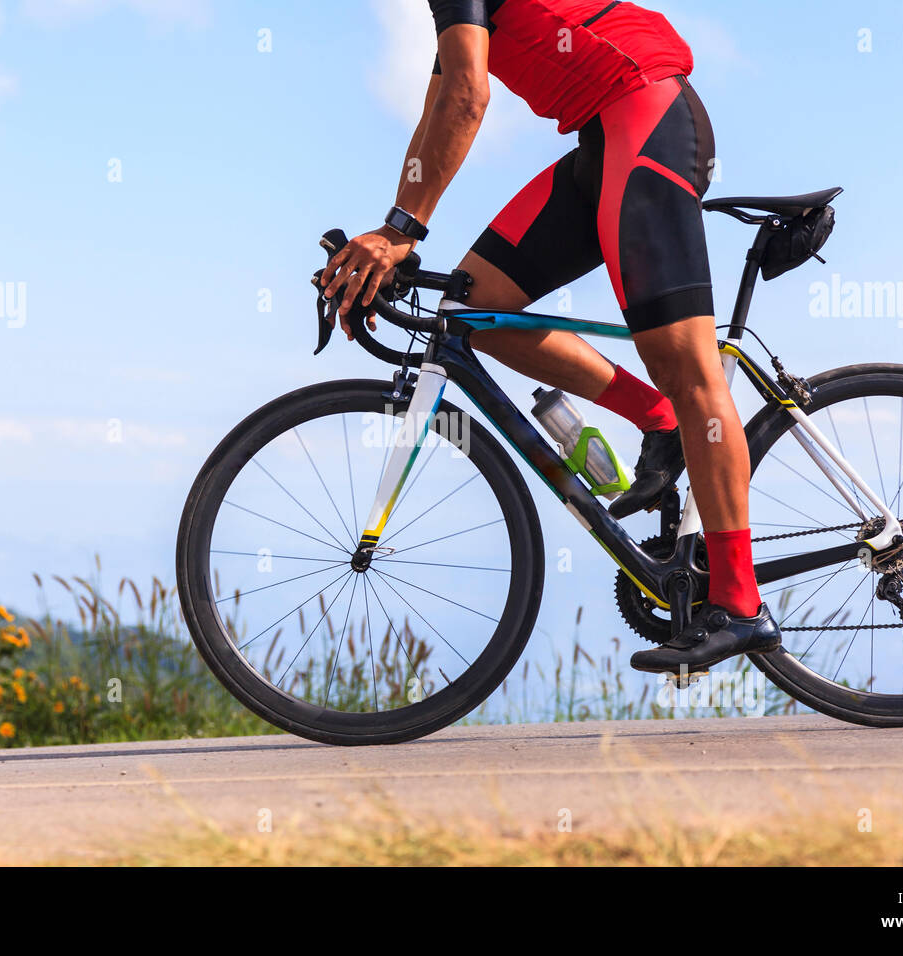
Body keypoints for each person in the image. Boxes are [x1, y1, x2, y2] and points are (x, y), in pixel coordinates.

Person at [319, 0, 780, 675]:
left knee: (688, 373)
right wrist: (395, 237)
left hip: (647, 115)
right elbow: (442, 101)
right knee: (478, 308)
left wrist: (399, 232)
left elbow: (469, 98)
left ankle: (740, 604)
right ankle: (657, 419)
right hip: (604, 137)